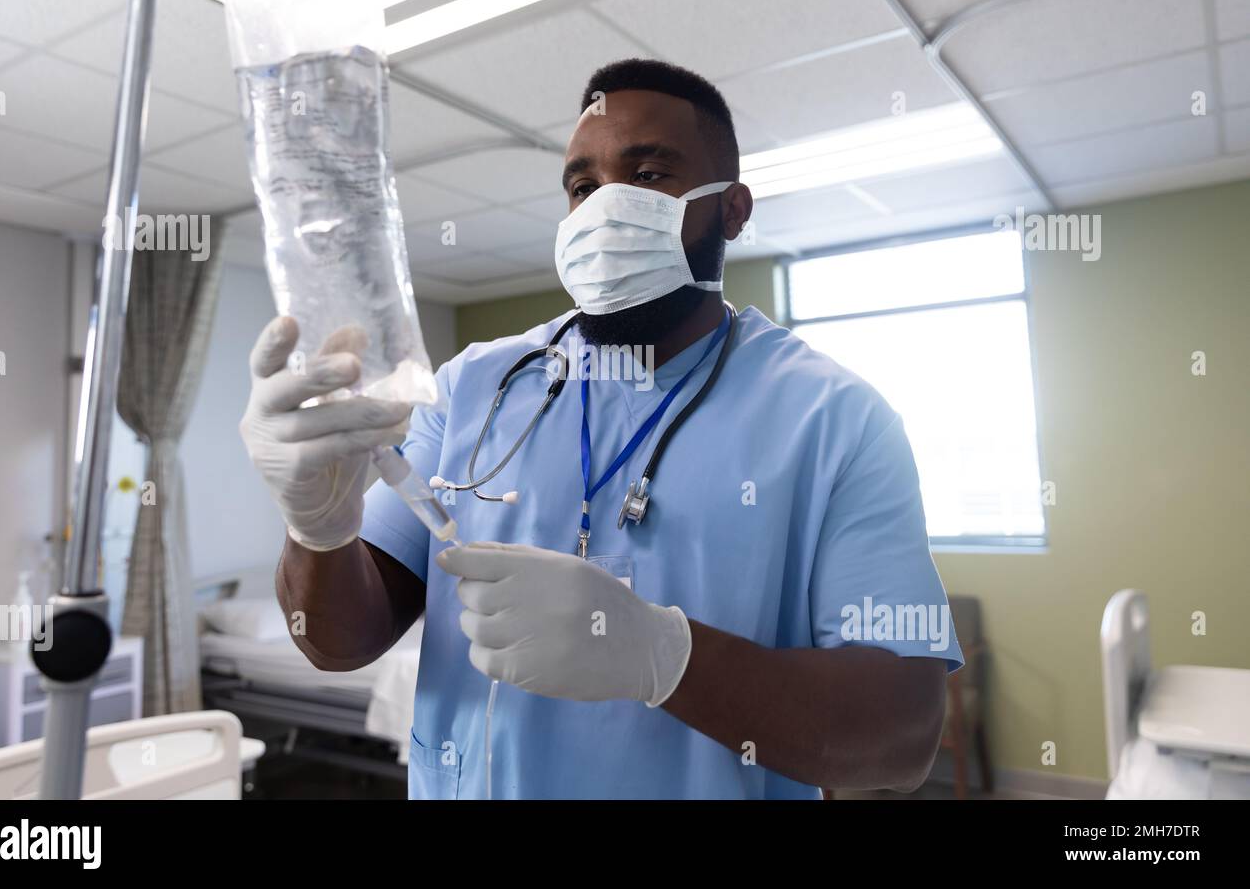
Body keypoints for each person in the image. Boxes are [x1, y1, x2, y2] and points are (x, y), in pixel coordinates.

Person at [240, 58, 963, 799]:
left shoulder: (836, 420)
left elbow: (900, 738)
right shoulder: (472, 388)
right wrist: (319, 531)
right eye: (583, 187)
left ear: (733, 209)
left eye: (648, 174)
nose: (603, 208)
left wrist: (661, 655)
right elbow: (335, 641)